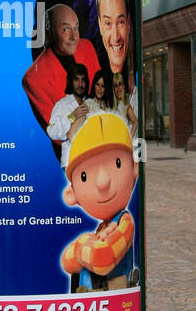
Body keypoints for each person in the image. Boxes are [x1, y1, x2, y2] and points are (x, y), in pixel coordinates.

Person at [60, 112, 139, 292]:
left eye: (117, 163)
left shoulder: (125, 222)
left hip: (112, 300)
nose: (103, 182)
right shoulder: (103, 227)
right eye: (85, 176)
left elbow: (103, 258)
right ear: (72, 194)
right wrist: (88, 245)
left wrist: (82, 244)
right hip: (90, 304)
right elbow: (67, 262)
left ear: (134, 169)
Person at [22, 3, 100, 133]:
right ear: (50, 31)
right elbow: (56, 132)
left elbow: (104, 96)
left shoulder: (87, 47)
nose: (74, 37)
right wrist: (74, 116)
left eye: (76, 28)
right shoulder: (33, 80)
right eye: (66, 29)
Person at [47, 63, 90, 169]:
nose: (80, 84)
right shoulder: (62, 104)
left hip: (90, 158)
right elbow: (52, 132)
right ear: (70, 81)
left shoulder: (90, 102)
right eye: (76, 79)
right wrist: (73, 116)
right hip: (71, 161)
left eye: (83, 80)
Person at [95, 0, 132, 79]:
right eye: (108, 24)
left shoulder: (137, 67)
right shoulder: (92, 71)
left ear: (128, 23)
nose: (116, 37)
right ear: (100, 25)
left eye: (121, 22)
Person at [112, 72, 138, 140]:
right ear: (113, 89)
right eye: (115, 86)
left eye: (120, 84)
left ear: (123, 86)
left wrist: (129, 138)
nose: (118, 89)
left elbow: (136, 122)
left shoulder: (126, 106)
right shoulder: (113, 108)